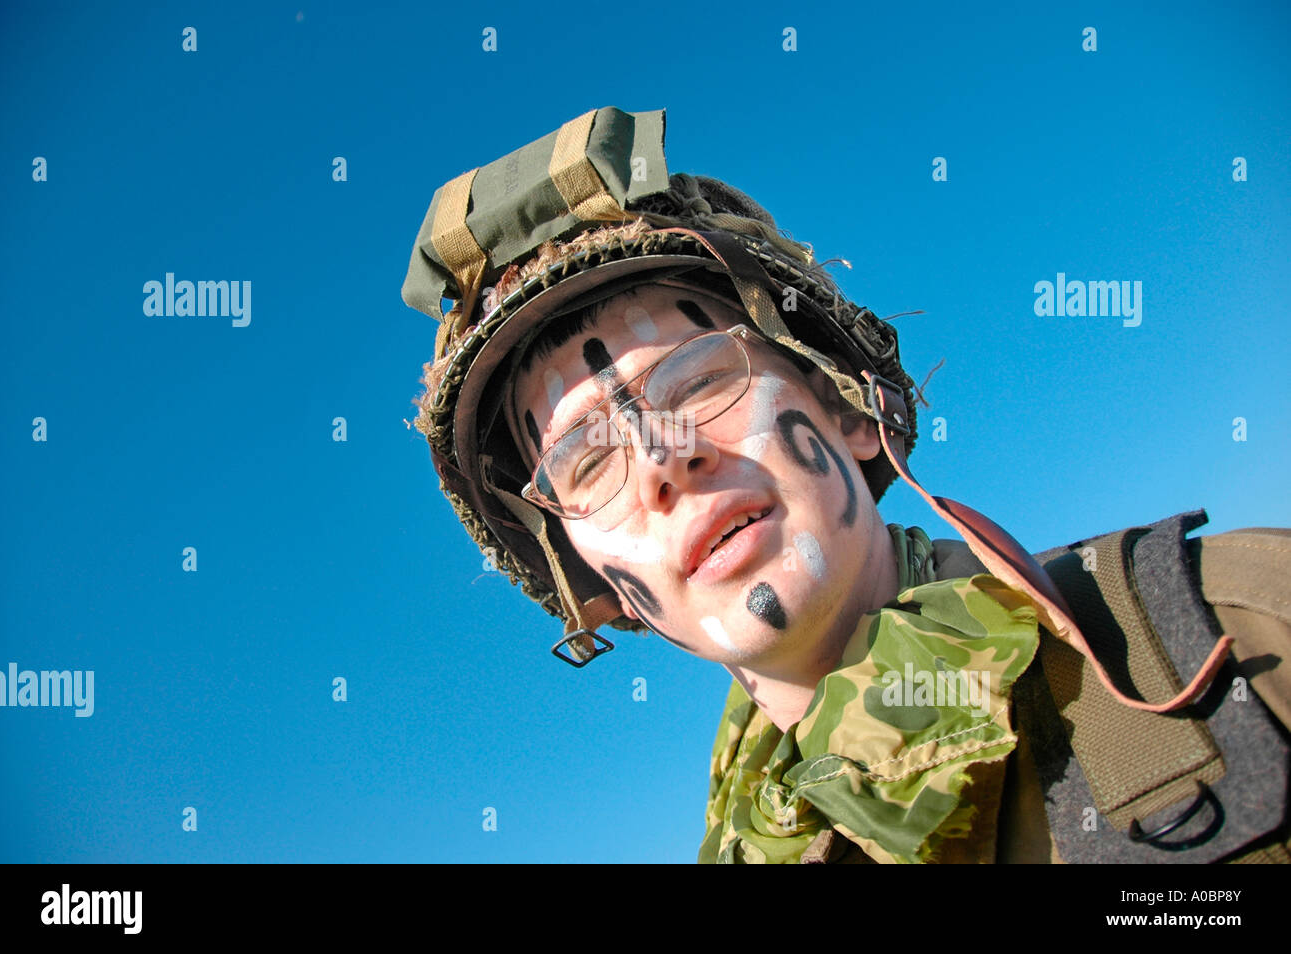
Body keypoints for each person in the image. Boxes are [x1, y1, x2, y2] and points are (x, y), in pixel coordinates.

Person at [401, 106, 1291, 863]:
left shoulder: (1239, 630)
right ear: (601, 587)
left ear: (849, 410)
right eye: (587, 462)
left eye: (701, 380)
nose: (665, 460)